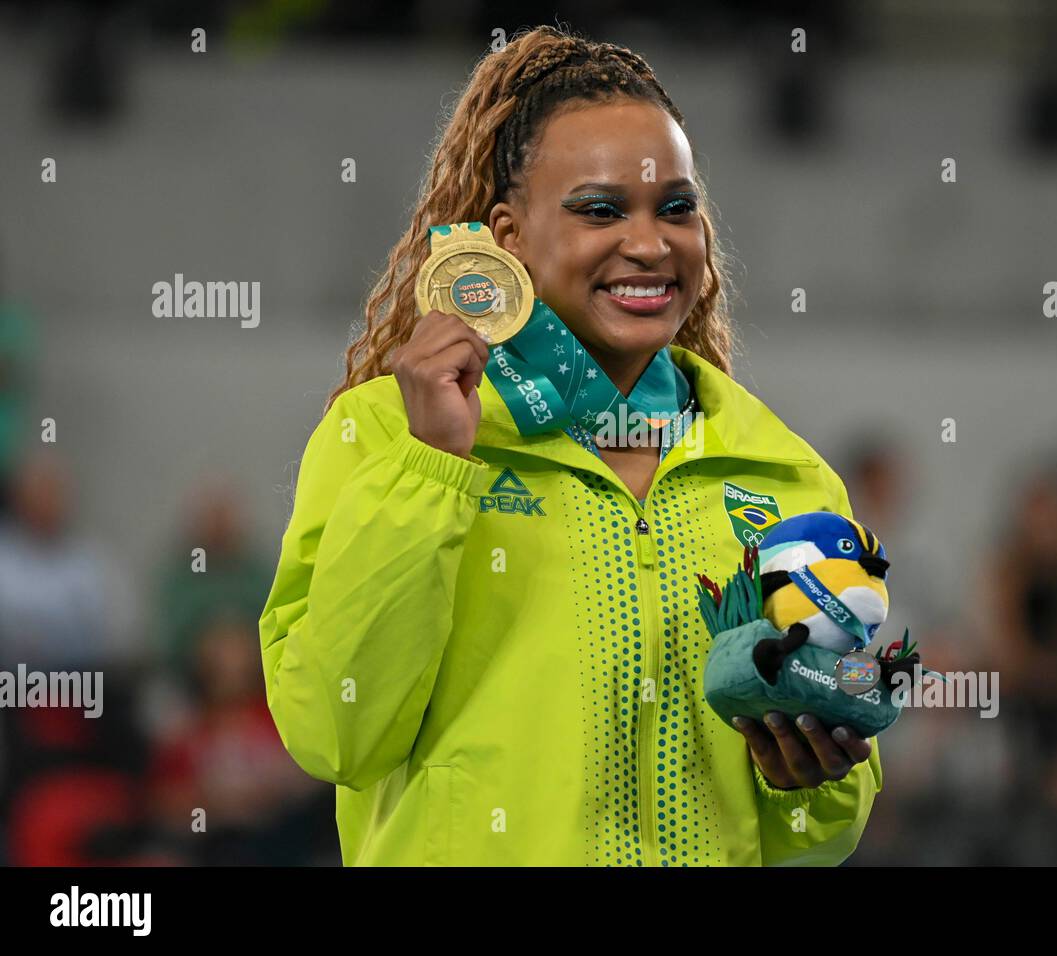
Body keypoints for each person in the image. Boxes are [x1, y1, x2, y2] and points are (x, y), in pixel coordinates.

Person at [259, 25, 882, 866]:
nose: (650, 244)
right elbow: (335, 732)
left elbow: (818, 840)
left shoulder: (781, 473)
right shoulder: (386, 434)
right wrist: (432, 469)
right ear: (507, 237)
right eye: (600, 209)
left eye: (676, 207)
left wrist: (813, 779)